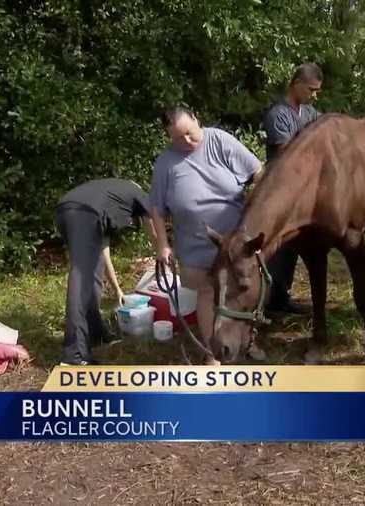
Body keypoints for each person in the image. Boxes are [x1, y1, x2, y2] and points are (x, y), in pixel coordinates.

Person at [149, 106, 264, 364]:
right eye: (178, 138)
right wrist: (163, 245)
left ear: (196, 120)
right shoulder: (166, 163)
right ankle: (212, 352)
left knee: (243, 293)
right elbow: (155, 208)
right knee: (207, 294)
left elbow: (258, 172)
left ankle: (248, 342)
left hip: (235, 243)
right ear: (169, 137)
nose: (187, 141)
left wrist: (262, 204)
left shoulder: (219, 140)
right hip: (196, 245)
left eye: (189, 133)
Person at [55, 178, 155, 365]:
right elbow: (153, 218)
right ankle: (74, 355)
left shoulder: (107, 201)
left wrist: (117, 289)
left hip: (66, 211)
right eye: (133, 220)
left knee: (93, 269)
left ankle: (95, 333)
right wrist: (160, 251)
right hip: (83, 213)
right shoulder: (136, 191)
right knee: (81, 275)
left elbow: (104, 253)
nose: (131, 223)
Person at [261, 63, 323, 314]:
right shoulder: (279, 114)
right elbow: (287, 154)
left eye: (317, 90)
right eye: (311, 89)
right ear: (296, 84)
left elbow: (324, 135)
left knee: (296, 247)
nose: (314, 94)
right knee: (279, 248)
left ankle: (281, 297)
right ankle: (270, 300)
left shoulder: (309, 112)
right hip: (280, 190)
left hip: (303, 190)